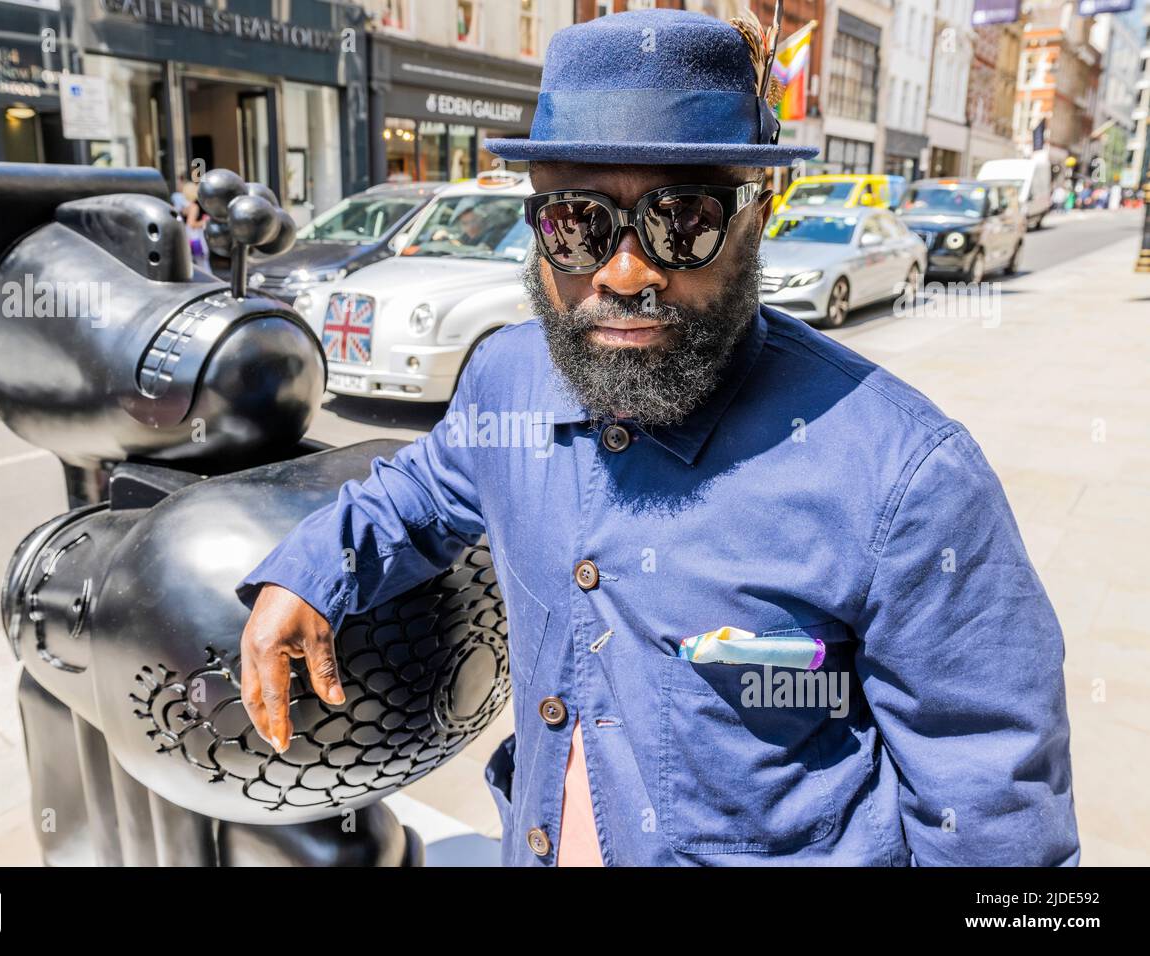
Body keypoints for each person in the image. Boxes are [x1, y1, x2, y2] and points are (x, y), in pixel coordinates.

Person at [235, 9, 1079, 867]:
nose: (625, 272)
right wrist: (309, 576)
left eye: (682, 221)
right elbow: (419, 490)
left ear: (758, 215)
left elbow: (998, 831)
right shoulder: (507, 382)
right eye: (577, 223)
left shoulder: (908, 479)